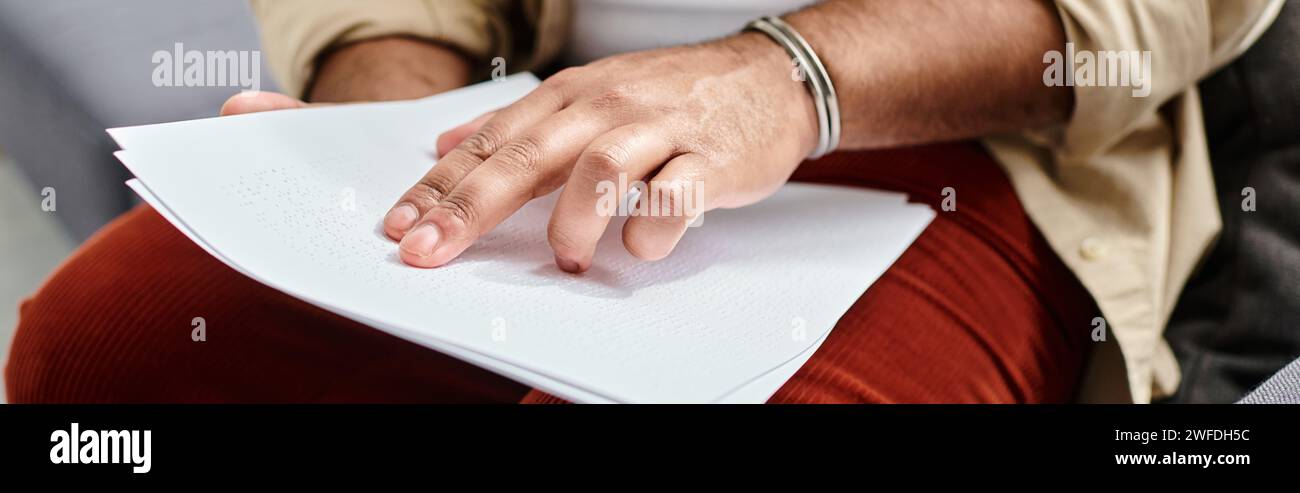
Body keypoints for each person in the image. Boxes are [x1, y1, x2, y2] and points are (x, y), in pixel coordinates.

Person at [4, 0, 1282, 403]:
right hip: (537, 101)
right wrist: (381, 105)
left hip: (956, 131)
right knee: (99, 357)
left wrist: (786, 79)